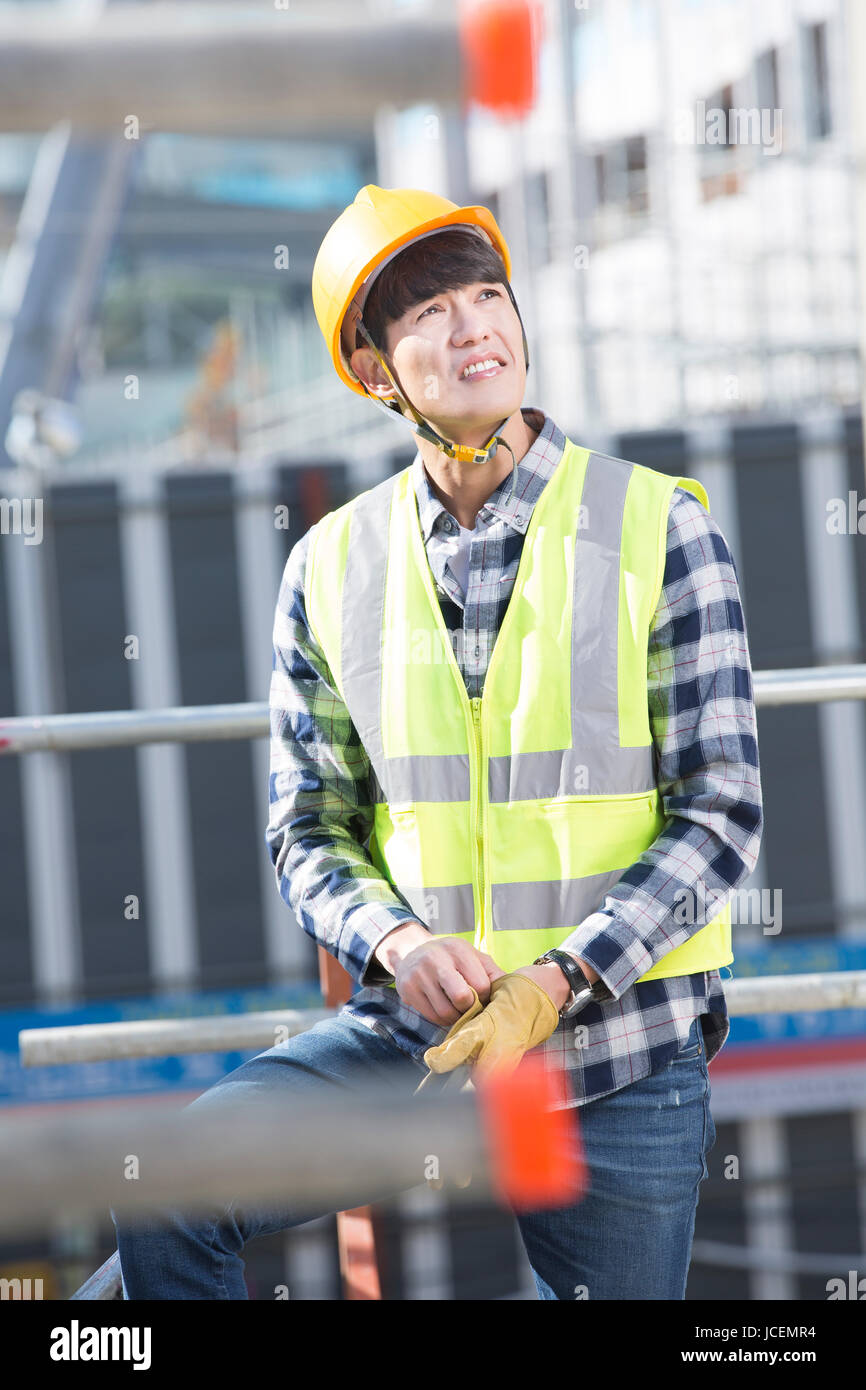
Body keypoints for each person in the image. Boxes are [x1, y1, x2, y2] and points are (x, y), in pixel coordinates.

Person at [112, 184, 763, 1300]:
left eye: (486, 295)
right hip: (412, 1037)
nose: (472, 328)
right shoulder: (329, 562)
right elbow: (307, 825)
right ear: (371, 369)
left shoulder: (659, 527)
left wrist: (557, 982)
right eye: (426, 314)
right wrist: (401, 946)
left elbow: (720, 812)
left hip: (616, 1049)